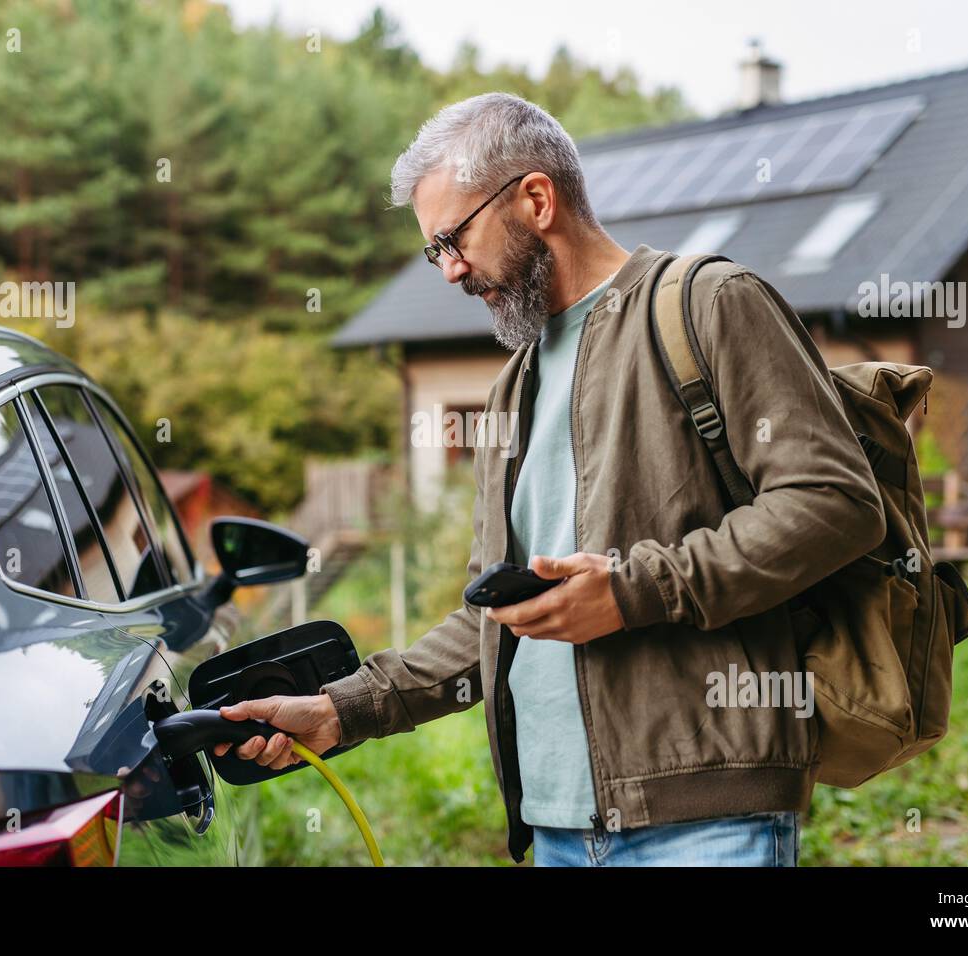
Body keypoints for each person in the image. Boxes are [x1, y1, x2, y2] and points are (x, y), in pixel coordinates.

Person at [215, 92, 885, 866]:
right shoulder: (513, 387)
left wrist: (634, 590)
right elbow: (492, 620)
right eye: (435, 252)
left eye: (451, 239)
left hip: (704, 822)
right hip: (557, 828)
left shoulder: (710, 304)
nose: (450, 270)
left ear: (536, 198)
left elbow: (835, 502)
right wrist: (342, 711)